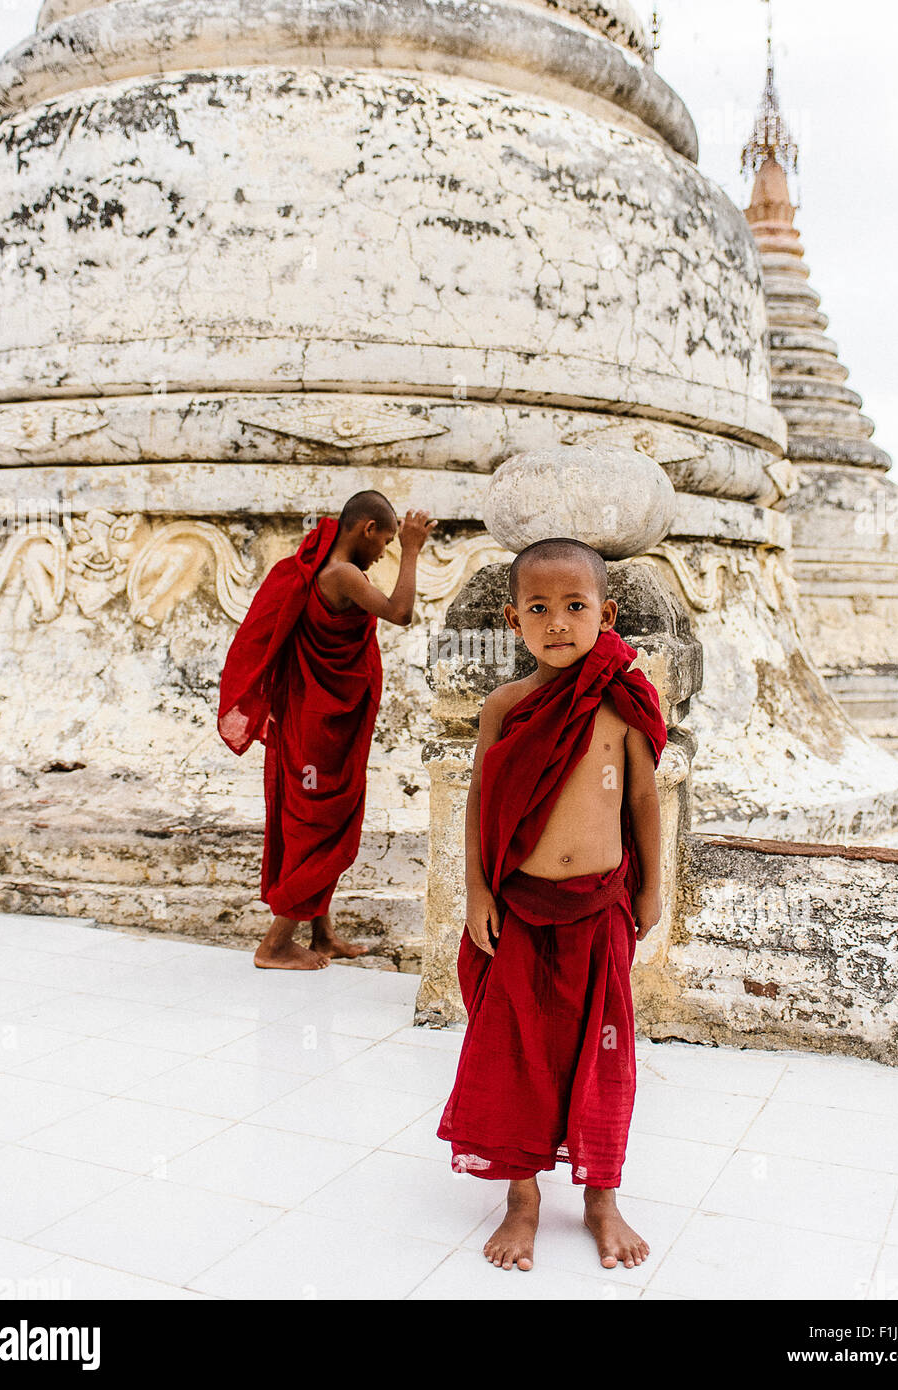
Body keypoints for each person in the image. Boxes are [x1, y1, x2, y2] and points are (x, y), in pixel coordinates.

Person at [437, 537, 668, 1271]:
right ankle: (522, 1198)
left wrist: (651, 887)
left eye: (575, 606)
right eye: (539, 608)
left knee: (601, 1058)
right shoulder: (505, 706)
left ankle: (601, 1197)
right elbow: (481, 799)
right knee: (515, 1055)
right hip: (519, 909)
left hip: (598, 908)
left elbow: (639, 799)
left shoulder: (621, 702)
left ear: (607, 612)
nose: (558, 622)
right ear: (512, 620)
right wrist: (475, 891)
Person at [218, 491, 435, 969]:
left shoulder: (328, 567)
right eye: (389, 540)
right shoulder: (342, 574)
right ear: (367, 529)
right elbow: (401, 613)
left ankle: (322, 934)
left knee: (327, 819)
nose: (386, 551)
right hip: (319, 724)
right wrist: (416, 549)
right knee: (320, 827)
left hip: (321, 716)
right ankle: (275, 943)